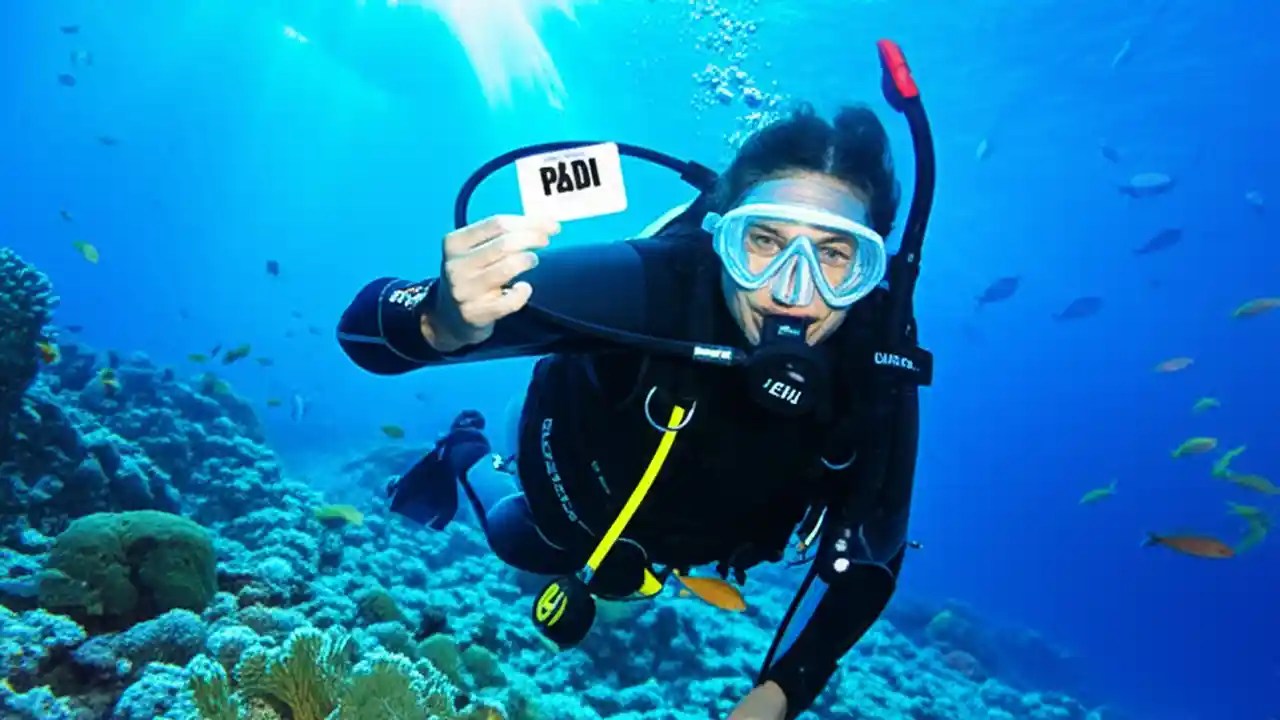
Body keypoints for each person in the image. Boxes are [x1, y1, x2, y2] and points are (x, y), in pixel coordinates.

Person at [337, 42, 936, 720]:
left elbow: (872, 563)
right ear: (721, 239)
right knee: (521, 542)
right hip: (570, 494)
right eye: (763, 243)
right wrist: (440, 324)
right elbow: (361, 330)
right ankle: (465, 448)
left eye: (835, 255)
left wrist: (778, 693)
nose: (792, 292)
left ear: (871, 273)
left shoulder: (876, 364)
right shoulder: (656, 287)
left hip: (697, 548)